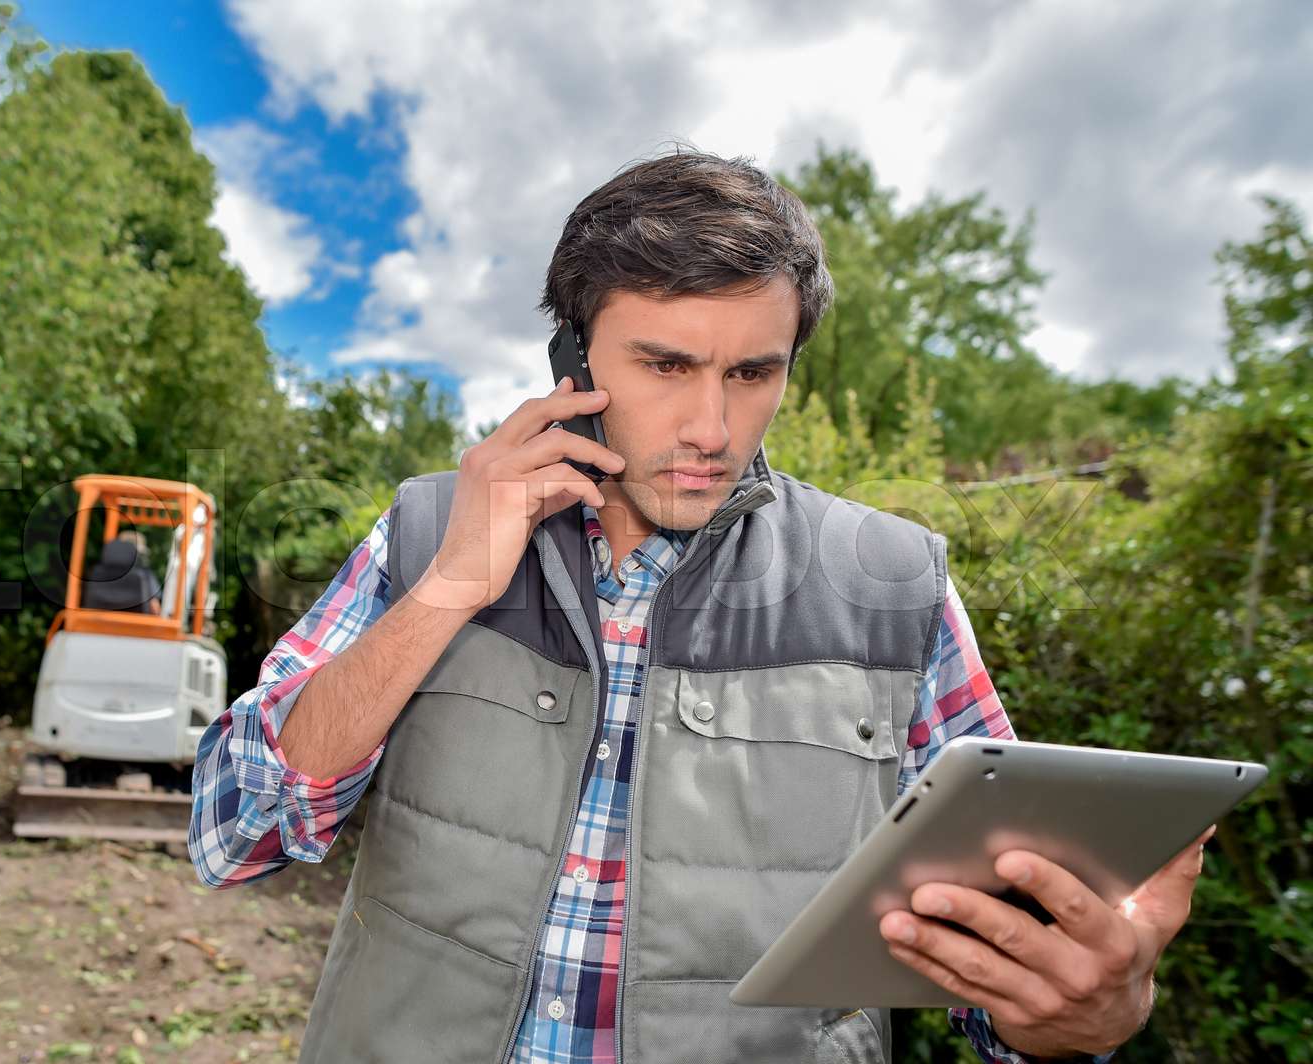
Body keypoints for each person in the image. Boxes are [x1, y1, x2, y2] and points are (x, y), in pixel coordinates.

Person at [189, 148, 1209, 1063]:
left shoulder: (897, 588)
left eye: (752, 371)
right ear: (574, 363)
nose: (711, 425)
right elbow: (236, 834)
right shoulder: (423, 532)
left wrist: (1077, 1011)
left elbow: (1003, 979)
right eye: (666, 364)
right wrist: (450, 585)